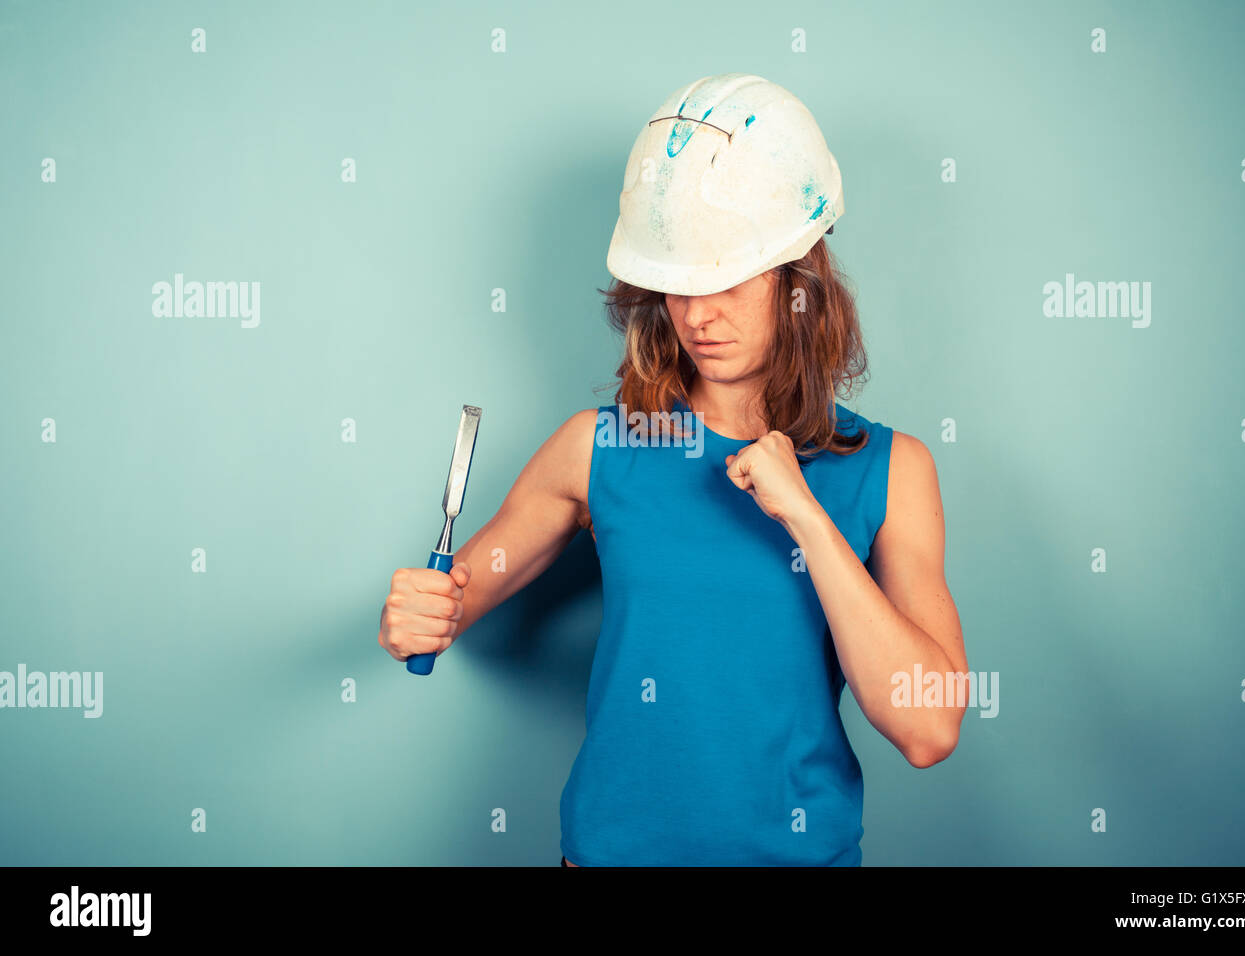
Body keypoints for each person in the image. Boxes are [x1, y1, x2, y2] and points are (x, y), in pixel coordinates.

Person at [378, 73, 967, 866]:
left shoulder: (891, 470)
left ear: (798, 279)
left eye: (727, 275)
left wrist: (803, 515)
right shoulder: (596, 449)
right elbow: (457, 598)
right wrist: (423, 611)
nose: (698, 313)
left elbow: (928, 729)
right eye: (678, 279)